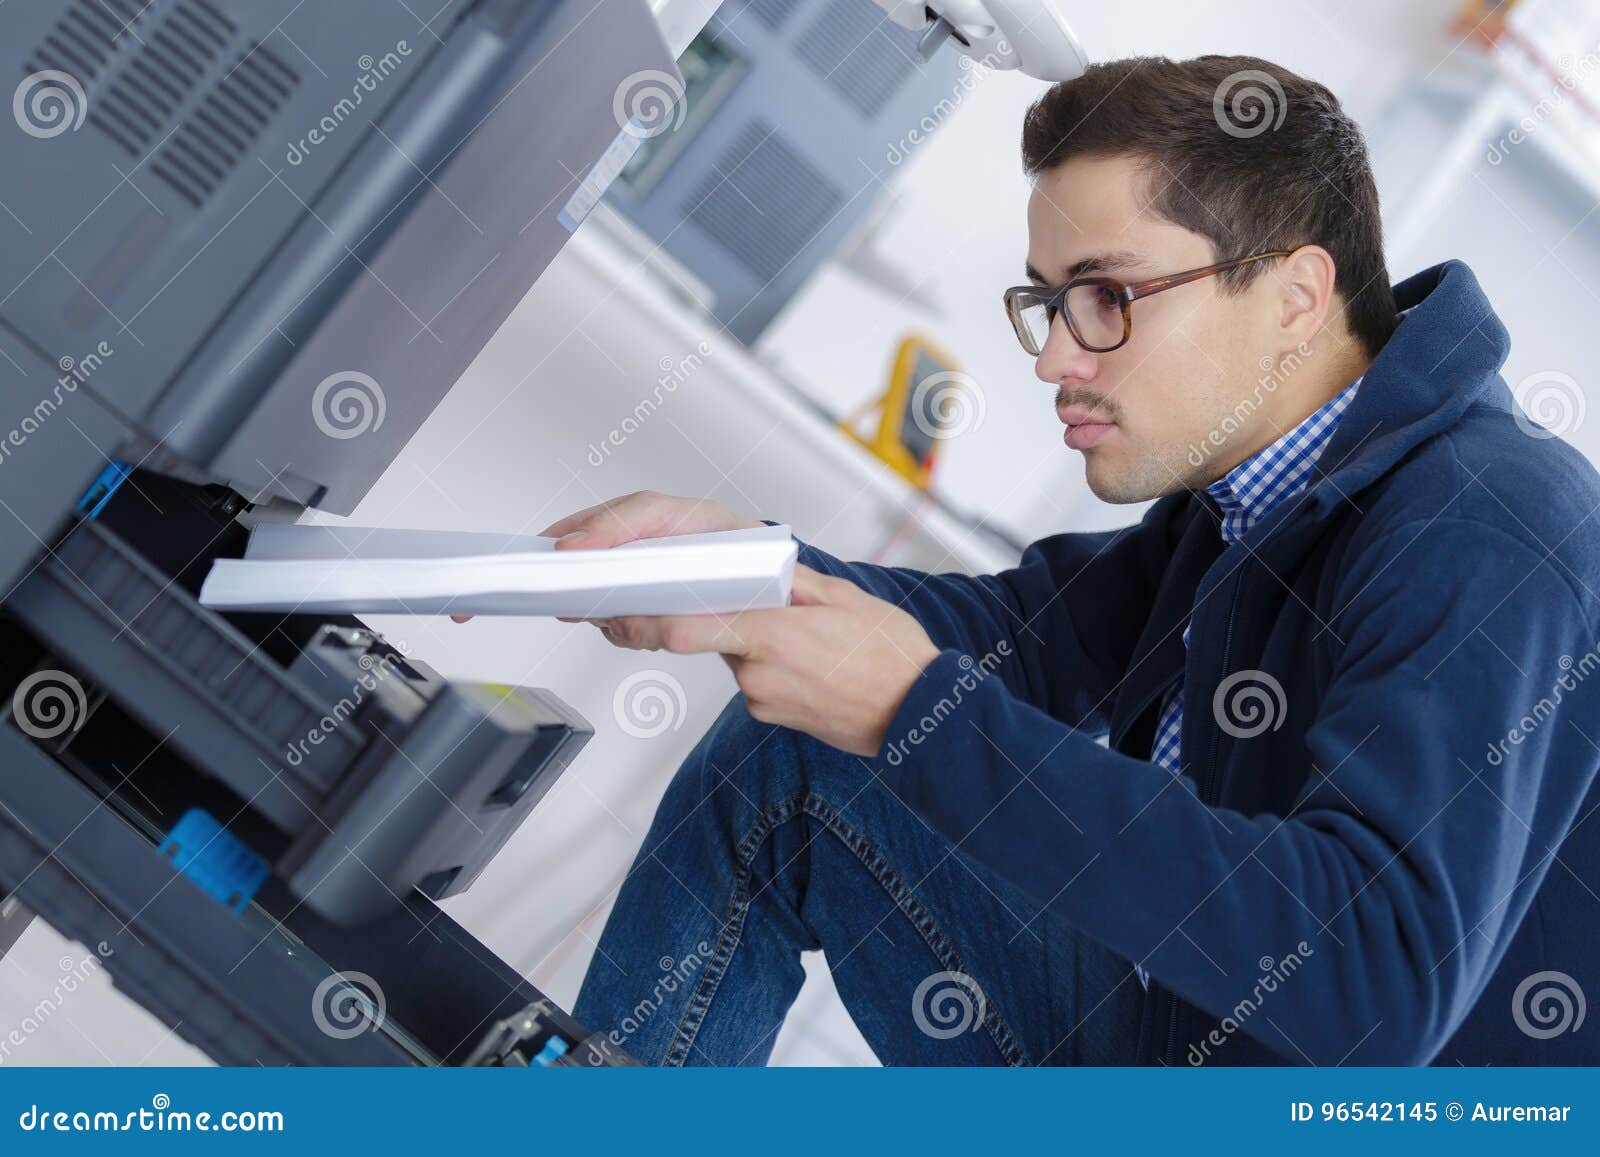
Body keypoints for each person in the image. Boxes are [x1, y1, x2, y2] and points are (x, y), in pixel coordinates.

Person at [548, 55, 1600, 1065]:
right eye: (1048, 303)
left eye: (1107, 297)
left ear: (1293, 293)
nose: (1055, 355)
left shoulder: (1488, 524)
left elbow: (1375, 988)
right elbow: (1018, 641)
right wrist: (745, 568)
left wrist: (918, 713)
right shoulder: (1254, 497)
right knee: (792, 748)